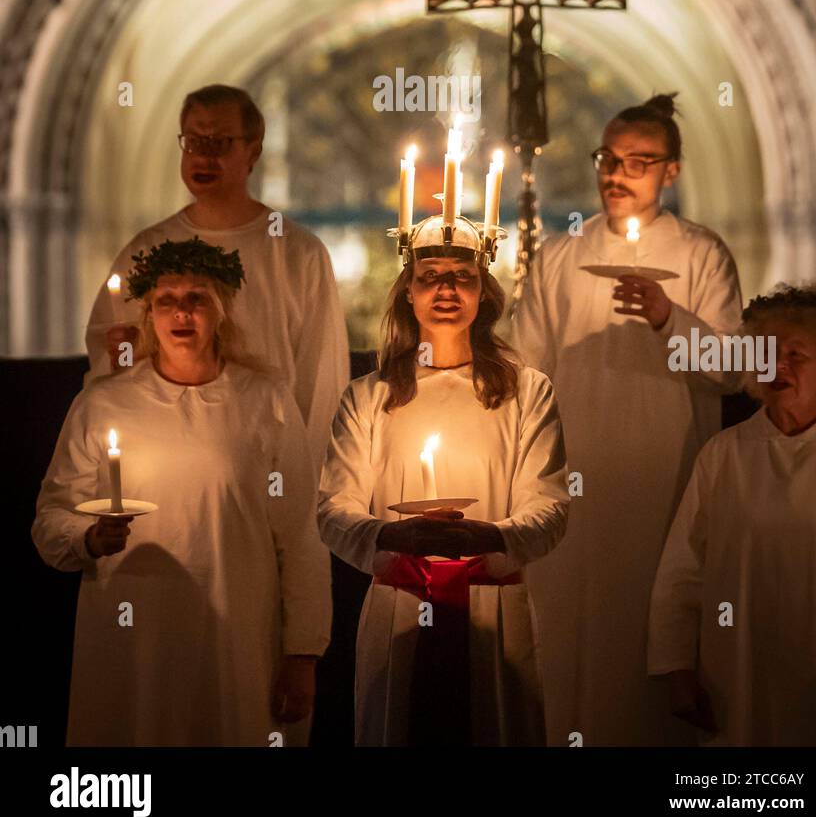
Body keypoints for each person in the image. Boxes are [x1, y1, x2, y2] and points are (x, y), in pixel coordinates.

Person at [33, 238, 331, 747]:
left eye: (196, 298)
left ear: (222, 310)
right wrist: (88, 537)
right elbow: (52, 517)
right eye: (166, 300)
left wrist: (302, 654)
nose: (181, 313)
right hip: (132, 633)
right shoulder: (104, 404)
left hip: (234, 632)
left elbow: (300, 533)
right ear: (148, 314)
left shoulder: (266, 401)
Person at [513, 92, 743, 746]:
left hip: (661, 481)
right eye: (608, 159)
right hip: (573, 479)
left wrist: (670, 318)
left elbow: (733, 367)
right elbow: (528, 368)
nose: (616, 174)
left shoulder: (700, 254)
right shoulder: (560, 256)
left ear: (671, 172)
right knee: (568, 643)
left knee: (646, 635)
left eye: (638, 161)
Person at [317, 212, 569, 746]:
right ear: (408, 292)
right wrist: (390, 536)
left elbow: (549, 504)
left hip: (494, 608)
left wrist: (492, 537)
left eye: (463, 276)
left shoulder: (527, 392)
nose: (447, 289)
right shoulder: (368, 397)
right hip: (400, 606)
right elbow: (334, 510)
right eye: (430, 276)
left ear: (484, 293)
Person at [85, 83, 349, 469]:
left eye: (220, 142)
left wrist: (306, 483)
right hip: (165, 456)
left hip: (268, 461)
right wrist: (121, 355)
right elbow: (109, 359)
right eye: (193, 141)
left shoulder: (298, 253)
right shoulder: (147, 250)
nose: (203, 156)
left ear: (252, 151)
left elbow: (322, 380)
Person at [648, 286, 816, 746]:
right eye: (766, 352)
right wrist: (676, 667)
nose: (776, 366)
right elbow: (684, 568)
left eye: (796, 354)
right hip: (738, 671)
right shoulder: (725, 454)